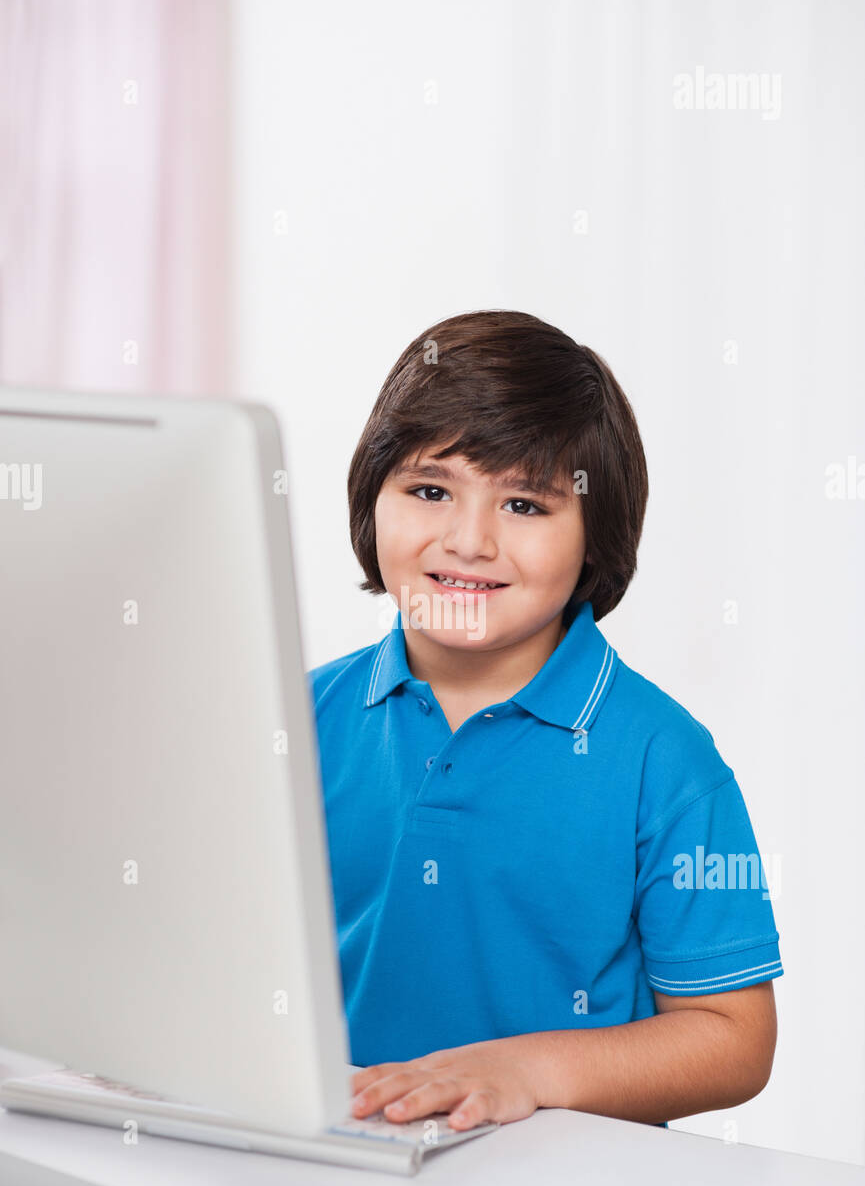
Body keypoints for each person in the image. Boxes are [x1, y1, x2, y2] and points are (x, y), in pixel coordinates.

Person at [307, 309, 782, 1133]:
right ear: (368, 500)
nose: (469, 540)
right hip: (332, 1175)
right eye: (428, 490)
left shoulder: (664, 760)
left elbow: (732, 1042)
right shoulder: (294, 720)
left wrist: (522, 1068)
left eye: (524, 505)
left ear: (594, 537)